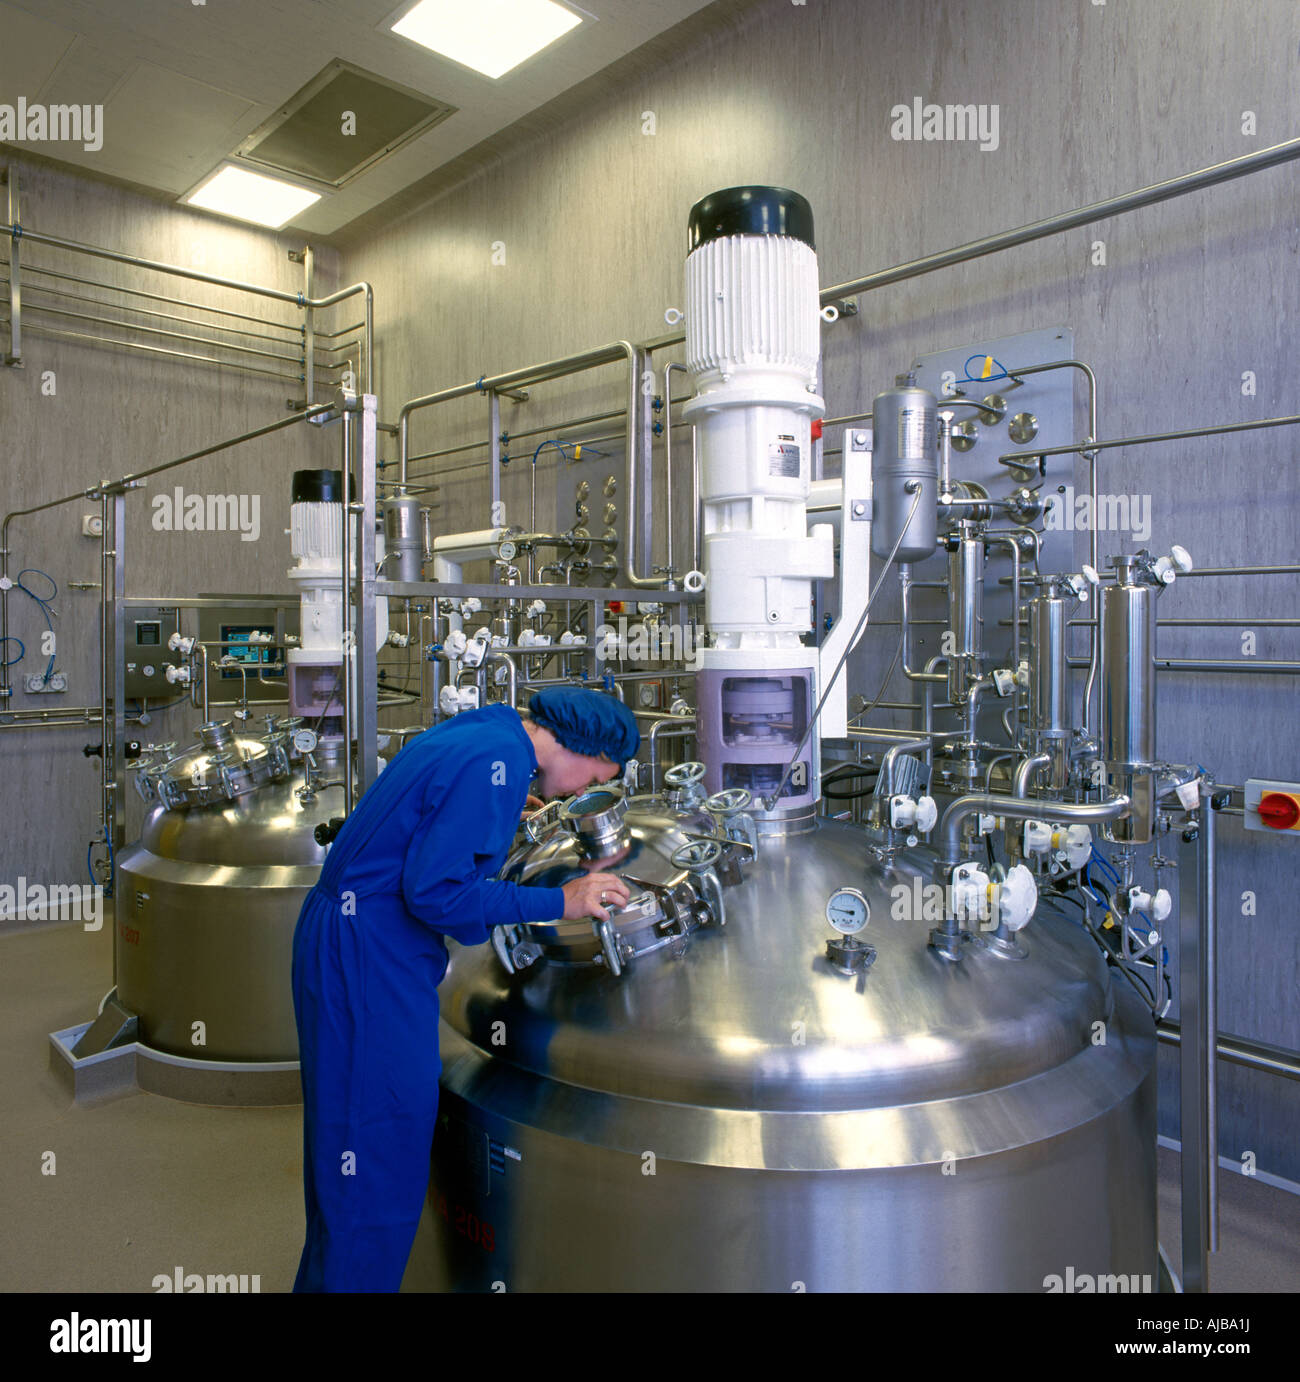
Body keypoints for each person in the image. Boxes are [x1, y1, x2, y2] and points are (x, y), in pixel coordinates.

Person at [290, 687, 639, 1292]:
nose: (582, 793)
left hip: (350, 938)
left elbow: (433, 817)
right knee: (376, 1155)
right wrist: (563, 900)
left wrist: (507, 812)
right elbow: (437, 895)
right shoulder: (491, 766)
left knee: (344, 1150)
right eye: (592, 779)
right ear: (576, 745)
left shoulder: (493, 734)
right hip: (369, 957)